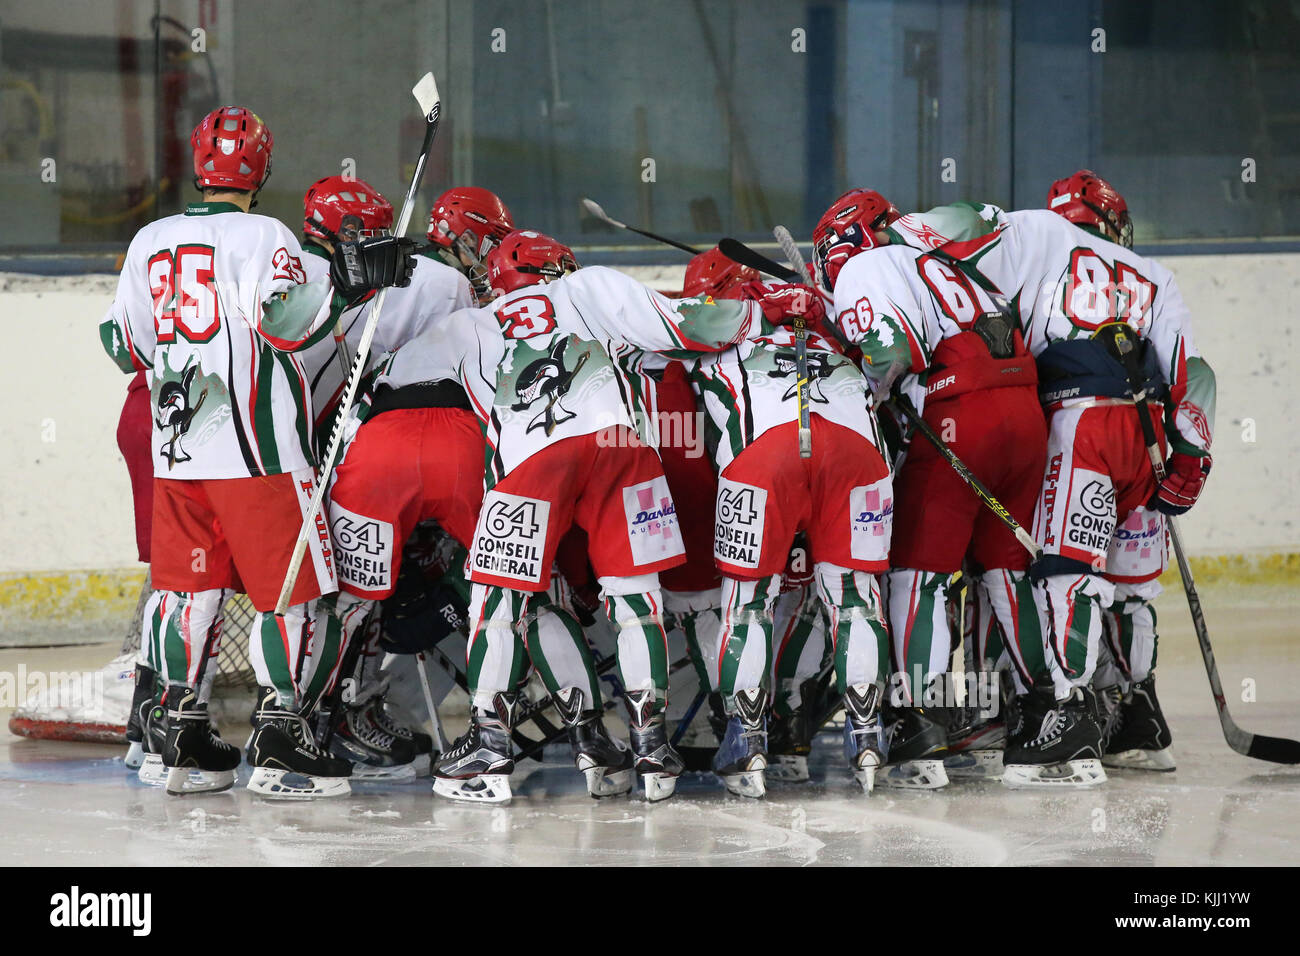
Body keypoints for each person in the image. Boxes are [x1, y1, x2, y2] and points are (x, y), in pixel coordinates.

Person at [98, 106, 413, 798]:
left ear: (198, 165)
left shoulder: (150, 237)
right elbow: (287, 324)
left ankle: (176, 732)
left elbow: (123, 345)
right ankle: (281, 738)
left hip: (179, 454)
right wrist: (351, 287)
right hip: (258, 451)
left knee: (187, 592)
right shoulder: (265, 233)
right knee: (290, 596)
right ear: (262, 168)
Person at [883, 171, 1215, 786]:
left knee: (1060, 570)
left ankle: (1063, 719)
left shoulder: (1037, 232)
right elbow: (1192, 373)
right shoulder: (1155, 276)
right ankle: (1136, 716)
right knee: (1133, 584)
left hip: (1070, 423)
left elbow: (959, 222)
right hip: (1144, 437)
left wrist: (888, 230)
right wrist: (1193, 456)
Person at [813, 188, 1049, 786]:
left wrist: (856, 368)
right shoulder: (948, 259)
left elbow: (892, 355)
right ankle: (1043, 713)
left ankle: (919, 725)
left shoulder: (867, 267)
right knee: (1006, 570)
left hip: (958, 416)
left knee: (918, 572)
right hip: (1025, 415)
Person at [686, 263, 895, 796]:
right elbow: (889, 359)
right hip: (859, 454)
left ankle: (746, 740)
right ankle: (867, 736)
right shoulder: (831, 329)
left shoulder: (722, 325)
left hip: (766, 453)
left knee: (749, 599)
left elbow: (676, 324)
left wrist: (756, 307)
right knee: (855, 600)